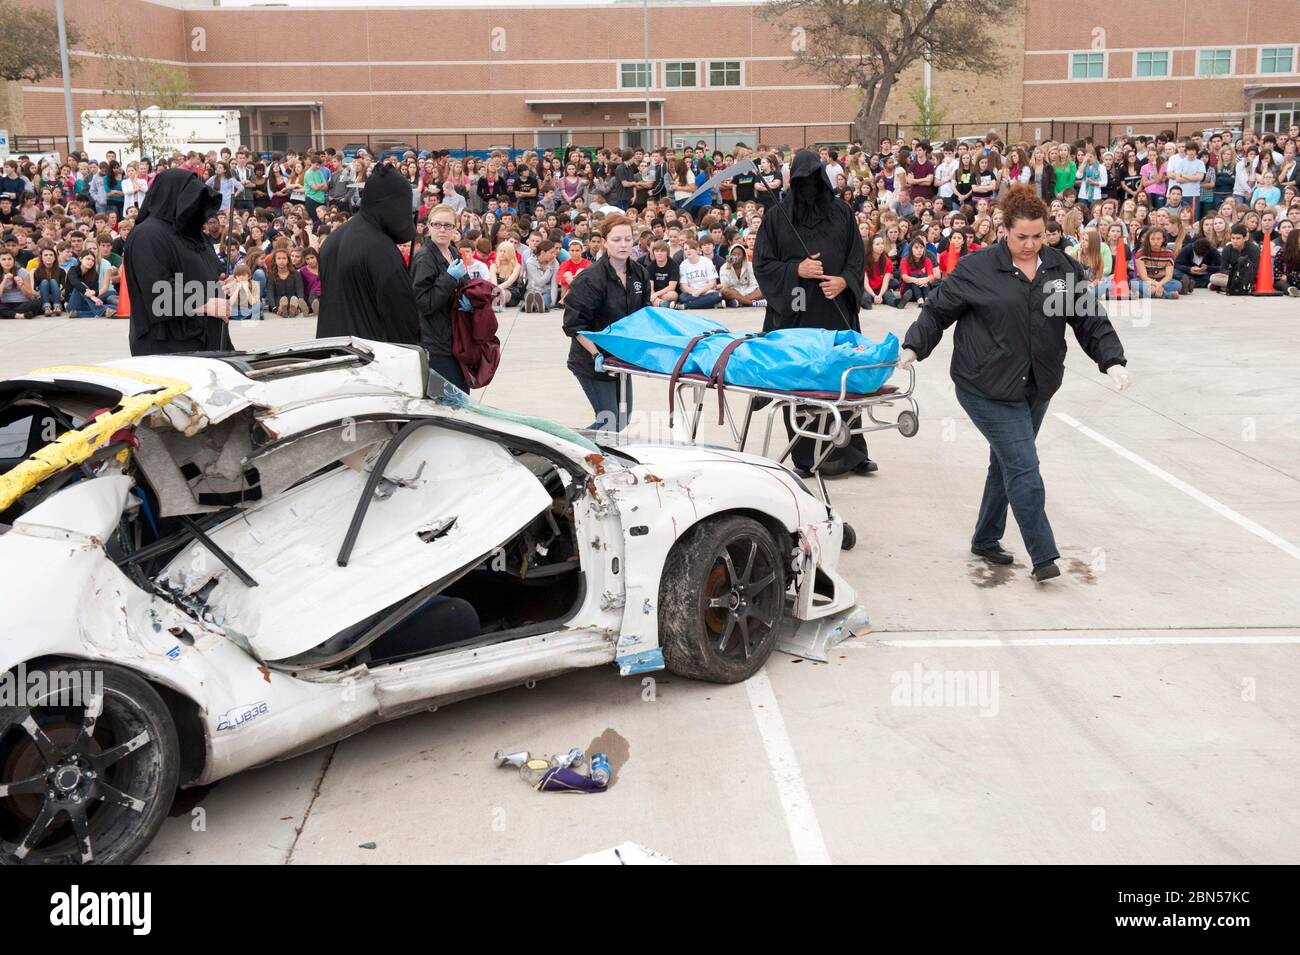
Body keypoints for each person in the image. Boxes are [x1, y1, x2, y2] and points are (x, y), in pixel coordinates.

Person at [898, 184, 1129, 582]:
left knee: (1005, 461)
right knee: (1023, 465)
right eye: (1022, 236)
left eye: (1038, 236)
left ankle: (986, 537)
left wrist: (1112, 359)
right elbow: (937, 312)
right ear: (1004, 229)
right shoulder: (977, 269)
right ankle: (1043, 555)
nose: (1031, 244)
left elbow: (1089, 318)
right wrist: (913, 348)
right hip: (984, 385)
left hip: (1037, 385)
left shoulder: (1060, 270)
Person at [753, 147, 873, 476]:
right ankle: (806, 457)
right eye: (801, 182)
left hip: (835, 309)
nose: (808, 189)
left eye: (813, 181)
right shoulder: (778, 217)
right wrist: (797, 269)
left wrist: (845, 282)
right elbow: (762, 264)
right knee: (802, 381)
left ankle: (854, 454)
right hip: (796, 310)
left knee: (844, 377)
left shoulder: (842, 212)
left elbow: (855, 256)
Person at [124, 169, 230, 355]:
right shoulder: (148, 235)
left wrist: (225, 285)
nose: (194, 207)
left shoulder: (191, 233)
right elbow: (158, 295)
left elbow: (211, 274)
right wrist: (206, 304)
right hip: (169, 346)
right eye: (191, 200)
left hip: (207, 339)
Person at [562, 213, 651, 430]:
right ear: (604, 242)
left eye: (628, 239)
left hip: (621, 359)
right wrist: (597, 354)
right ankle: (568, 451)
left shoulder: (639, 273)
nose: (623, 245)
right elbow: (574, 325)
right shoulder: (591, 279)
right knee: (609, 421)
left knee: (622, 420)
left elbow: (643, 314)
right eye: (616, 239)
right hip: (592, 360)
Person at [317, 162, 420, 347]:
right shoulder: (381, 249)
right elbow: (402, 315)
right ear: (393, 204)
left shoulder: (332, 240)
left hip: (332, 350)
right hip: (372, 358)